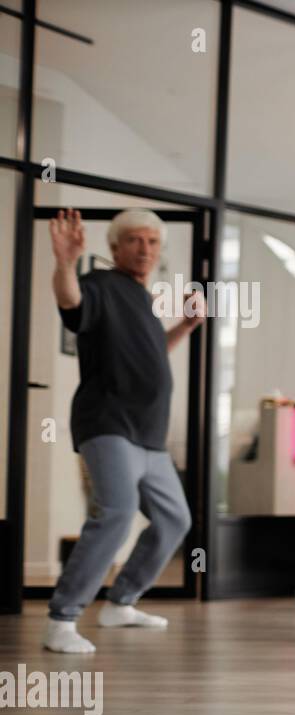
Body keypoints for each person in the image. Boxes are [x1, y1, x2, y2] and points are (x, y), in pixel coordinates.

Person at [43, 208, 204, 654]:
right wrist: (65, 263)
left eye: (153, 242)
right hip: (108, 423)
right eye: (135, 240)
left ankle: (121, 602)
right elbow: (71, 302)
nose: (145, 249)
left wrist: (185, 326)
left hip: (148, 435)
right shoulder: (100, 285)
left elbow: (153, 354)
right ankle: (62, 618)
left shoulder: (142, 298)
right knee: (116, 512)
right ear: (115, 247)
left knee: (176, 519)